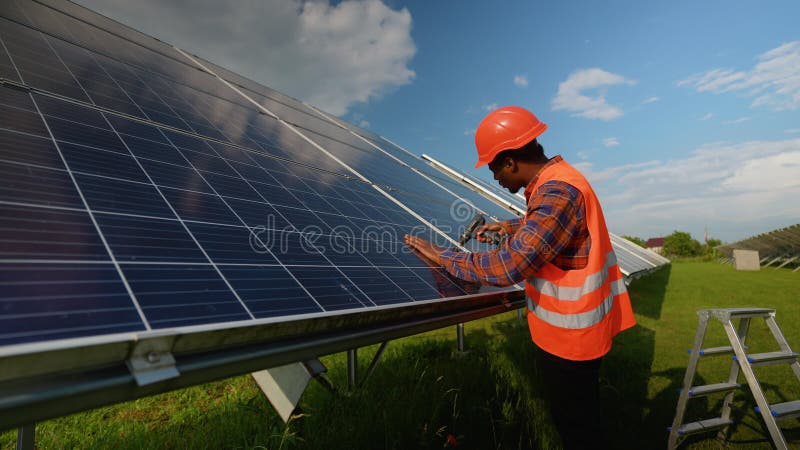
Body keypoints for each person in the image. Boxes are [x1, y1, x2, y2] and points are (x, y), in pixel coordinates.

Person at [403, 105, 636, 450]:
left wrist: (444, 257)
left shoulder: (557, 192)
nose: (496, 179)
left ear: (510, 161)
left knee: (578, 429)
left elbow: (510, 266)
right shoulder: (556, 183)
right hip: (570, 331)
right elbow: (550, 227)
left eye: (495, 170)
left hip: (572, 335)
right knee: (578, 419)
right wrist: (511, 226)